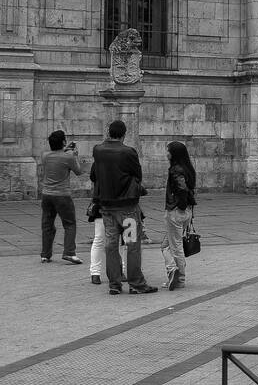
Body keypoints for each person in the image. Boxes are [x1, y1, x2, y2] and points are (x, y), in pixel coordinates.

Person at [90, 120, 157, 296]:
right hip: (126, 208)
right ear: (124, 134)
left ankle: (114, 283)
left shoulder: (98, 150)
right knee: (131, 244)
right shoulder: (128, 152)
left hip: (107, 208)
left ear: (108, 132)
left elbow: (93, 175)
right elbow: (137, 175)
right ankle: (136, 283)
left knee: (111, 245)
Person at [40, 130, 83, 265]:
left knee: (47, 224)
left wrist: (65, 149)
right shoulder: (68, 157)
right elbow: (78, 171)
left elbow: (57, 154)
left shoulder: (45, 156)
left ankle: (45, 255)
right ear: (63, 142)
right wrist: (75, 155)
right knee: (70, 224)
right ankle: (69, 252)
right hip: (62, 195)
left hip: (46, 194)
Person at [161, 141, 196, 291]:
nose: (166, 153)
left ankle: (177, 275)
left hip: (176, 211)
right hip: (186, 212)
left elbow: (182, 188)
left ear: (174, 153)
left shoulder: (176, 169)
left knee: (175, 247)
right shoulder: (188, 168)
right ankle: (173, 273)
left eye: (168, 151)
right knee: (165, 246)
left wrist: (179, 205)